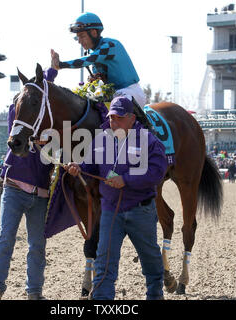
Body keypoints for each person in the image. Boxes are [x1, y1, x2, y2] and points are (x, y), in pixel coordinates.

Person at [65, 96, 166, 300]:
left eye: (118, 118)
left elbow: (157, 171)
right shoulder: (101, 138)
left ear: (131, 118)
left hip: (141, 210)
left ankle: (155, 294)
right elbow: (89, 164)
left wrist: (126, 180)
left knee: (150, 259)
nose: (113, 122)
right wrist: (78, 168)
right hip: (111, 210)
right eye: (111, 117)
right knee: (104, 262)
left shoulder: (148, 140)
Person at [0, 72, 55, 300]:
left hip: (41, 193)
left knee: (37, 245)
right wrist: (50, 72)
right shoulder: (16, 114)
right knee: (6, 238)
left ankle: (34, 292)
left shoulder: (52, 124)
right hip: (14, 188)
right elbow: (33, 90)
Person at [51, 12, 146, 108]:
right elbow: (103, 79)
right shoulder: (92, 52)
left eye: (82, 36)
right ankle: (66, 124)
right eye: (77, 37)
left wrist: (61, 64)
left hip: (129, 92)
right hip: (111, 95)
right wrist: (96, 80)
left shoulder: (110, 45)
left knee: (114, 109)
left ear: (93, 33)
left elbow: (86, 61)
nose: (79, 41)